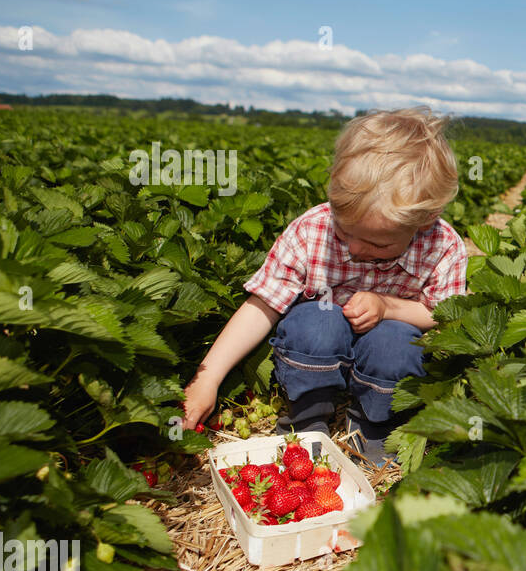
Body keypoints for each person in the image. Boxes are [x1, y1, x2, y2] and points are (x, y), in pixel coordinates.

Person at [181, 107, 468, 466]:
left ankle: (373, 425)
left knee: (397, 340)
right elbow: (263, 305)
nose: (354, 249)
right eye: (345, 232)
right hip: (319, 351)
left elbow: (444, 316)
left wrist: (387, 306)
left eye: (377, 245)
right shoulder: (312, 230)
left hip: (384, 363)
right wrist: (207, 377)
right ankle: (307, 416)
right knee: (315, 320)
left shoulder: (442, 245)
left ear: (424, 221)